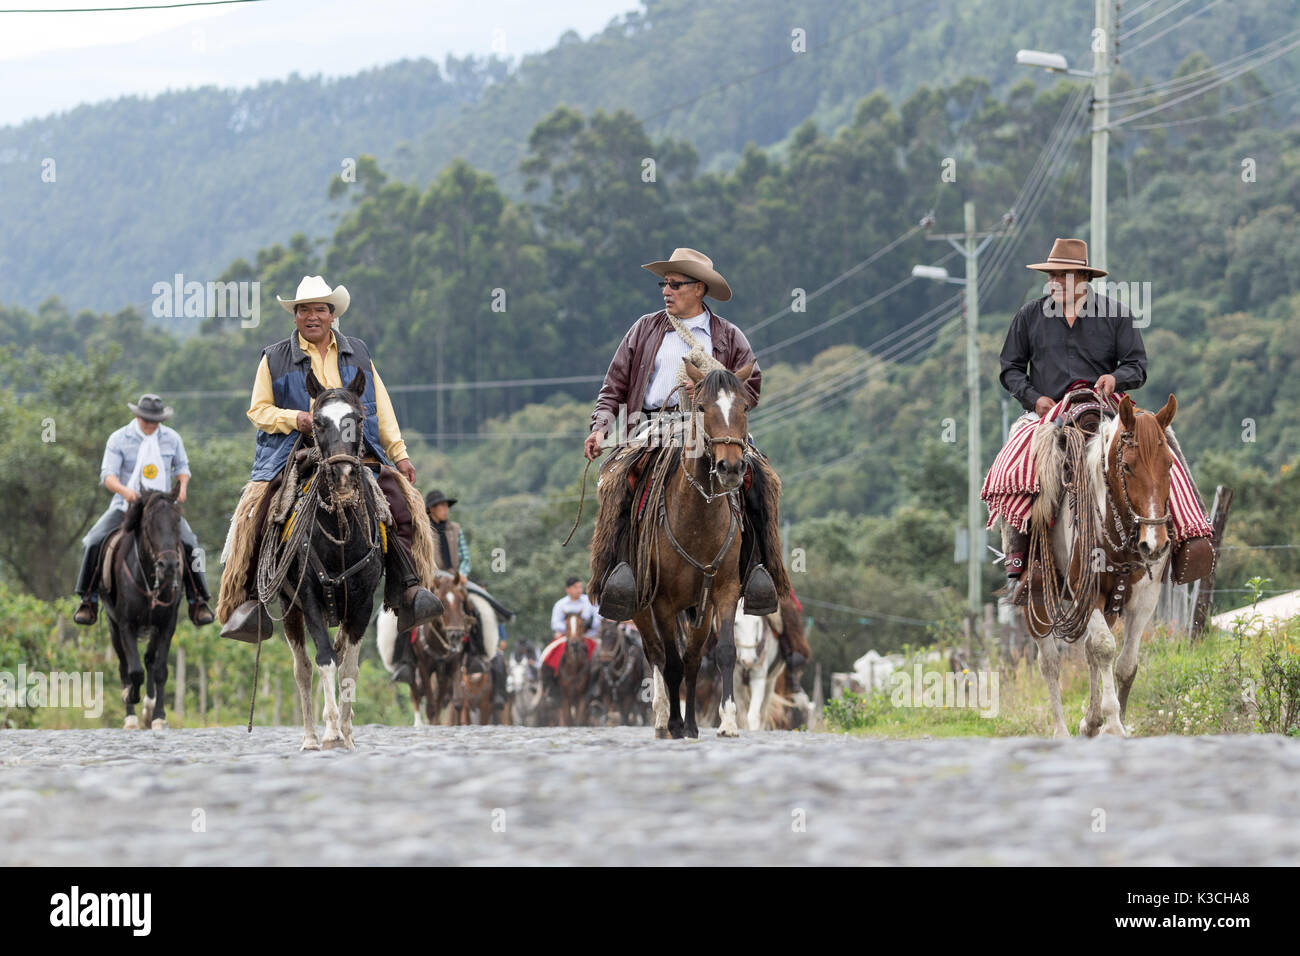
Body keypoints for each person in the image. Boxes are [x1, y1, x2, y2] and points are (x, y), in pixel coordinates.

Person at [990, 238, 1214, 603]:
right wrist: (1034, 398)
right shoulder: (1029, 315)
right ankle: (1020, 561)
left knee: (1162, 442)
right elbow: (1010, 368)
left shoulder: (1116, 315)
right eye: (1052, 276)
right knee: (1013, 460)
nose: (1055, 282)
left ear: (1083, 279)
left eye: (1062, 275)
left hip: (1106, 409)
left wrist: (1115, 379)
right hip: (1049, 415)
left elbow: (1137, 366)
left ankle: (1189, 536)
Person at [218, 275, 441, 640]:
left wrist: (399, 455)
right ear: (295, 316)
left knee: (403, 505)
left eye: (319, 309)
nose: (312, 316)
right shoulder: (274, 358)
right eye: (304, 310)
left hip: (354, 451)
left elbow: (381, 407)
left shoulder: (359, 353)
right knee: (257, 512)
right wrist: (296, 419)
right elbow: (258, 410)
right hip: (294, 451)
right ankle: (249, 601)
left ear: (332, 314)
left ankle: (409, 588)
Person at [583, 247, 786, 621]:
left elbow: (750, 389)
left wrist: (712, 394)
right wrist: (600, 428)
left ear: (700, 289)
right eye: (664, 283)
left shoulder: (728, 335)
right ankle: (617, 572)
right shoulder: (645, 328)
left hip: (714, 427)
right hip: (654, 425)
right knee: (615, 481)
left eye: (675, 284)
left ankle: (760, 570)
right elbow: (614, 386)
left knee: (762, 480)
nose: (666, 290)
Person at [73, 394, 214, 627]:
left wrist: (182, 488)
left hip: (162, 510)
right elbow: (108, 475)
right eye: (147, 419)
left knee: (191, 544)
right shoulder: (119, 438)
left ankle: (198, 599)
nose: (151, 424)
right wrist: (125, 492)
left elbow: (182, 468)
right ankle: (88, 600)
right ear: (137, 416)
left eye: (155, 420)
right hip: (126, 506)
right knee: (93, 541)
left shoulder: (171, 438)